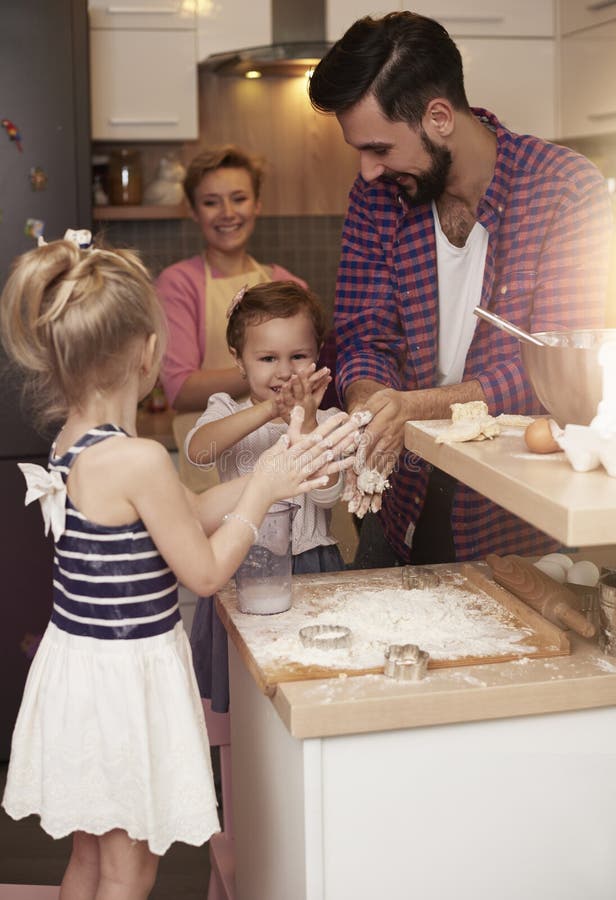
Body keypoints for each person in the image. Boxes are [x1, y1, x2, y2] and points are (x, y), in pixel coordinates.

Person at [0, 233, 356, 900]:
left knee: (90, 856)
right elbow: (203, 572)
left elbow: (185, 510)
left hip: (83, 672)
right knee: (129, 868)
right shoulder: (134, 459)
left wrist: (280, 478)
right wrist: (261, 488)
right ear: (146, 351)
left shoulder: (78, 441)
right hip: (122, 684)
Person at [308, 11, 613, 569]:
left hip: (517, 519)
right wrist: (373, 408)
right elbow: (361, 336)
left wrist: (413, 409)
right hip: (400, 502)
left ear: (440, 117)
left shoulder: (565, 191)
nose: (369, 171)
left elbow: (555, 372)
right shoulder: (376, 199)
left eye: (379, 148)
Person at [155, 144, 338, 489]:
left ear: (257, 204)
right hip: (215, 468)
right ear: (194, 211)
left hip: (295, 460)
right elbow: (180, 389)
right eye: (211, 202)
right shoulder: (179, 284)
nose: (227, 213)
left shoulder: (288, 284)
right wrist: (281, 380)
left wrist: (278, 379)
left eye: (238, 198)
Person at [187, 280, 347, 576]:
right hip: (242, 558)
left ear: (318, 353)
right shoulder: (227, 410)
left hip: (312, 564)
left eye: (298, 356)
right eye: (268, 358)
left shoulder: (327, 422)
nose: (284, 371)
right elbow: (198, 451)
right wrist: (271, 409)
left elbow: (327, 496)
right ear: (239, 359)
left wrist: (308, 424)